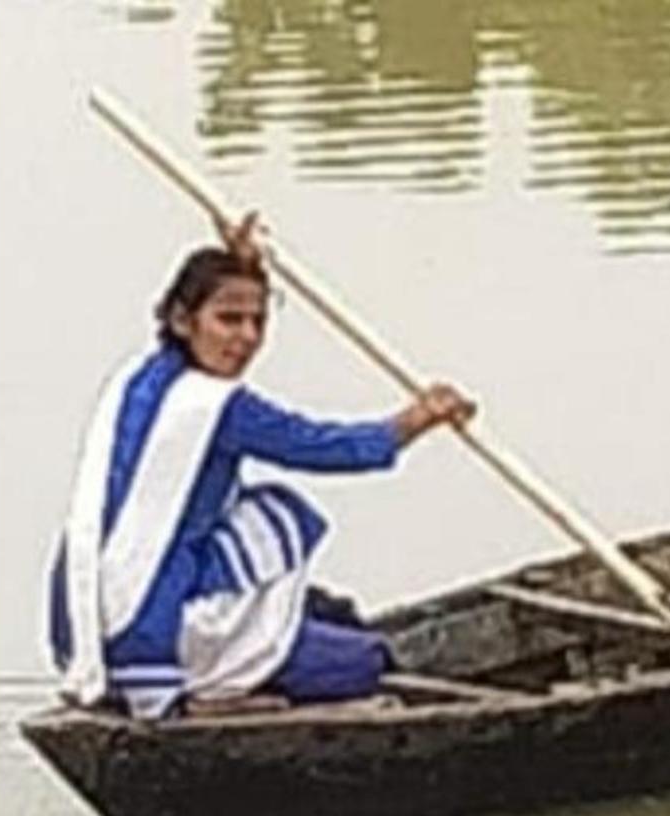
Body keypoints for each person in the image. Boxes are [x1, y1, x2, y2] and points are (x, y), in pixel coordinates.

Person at [47, 214, 476, 719]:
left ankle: (226, 670)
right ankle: (205, 698)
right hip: (151, 629)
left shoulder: (144, 378)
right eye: (229, 320)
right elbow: (325, 447)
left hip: (85, 629)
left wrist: (245, 264)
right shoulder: (221, 408)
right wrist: (417, 419)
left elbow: (210, 292)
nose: (247, 338)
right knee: (367, 661)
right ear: (183, 321)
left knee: (331, 610)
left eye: (258, 321)